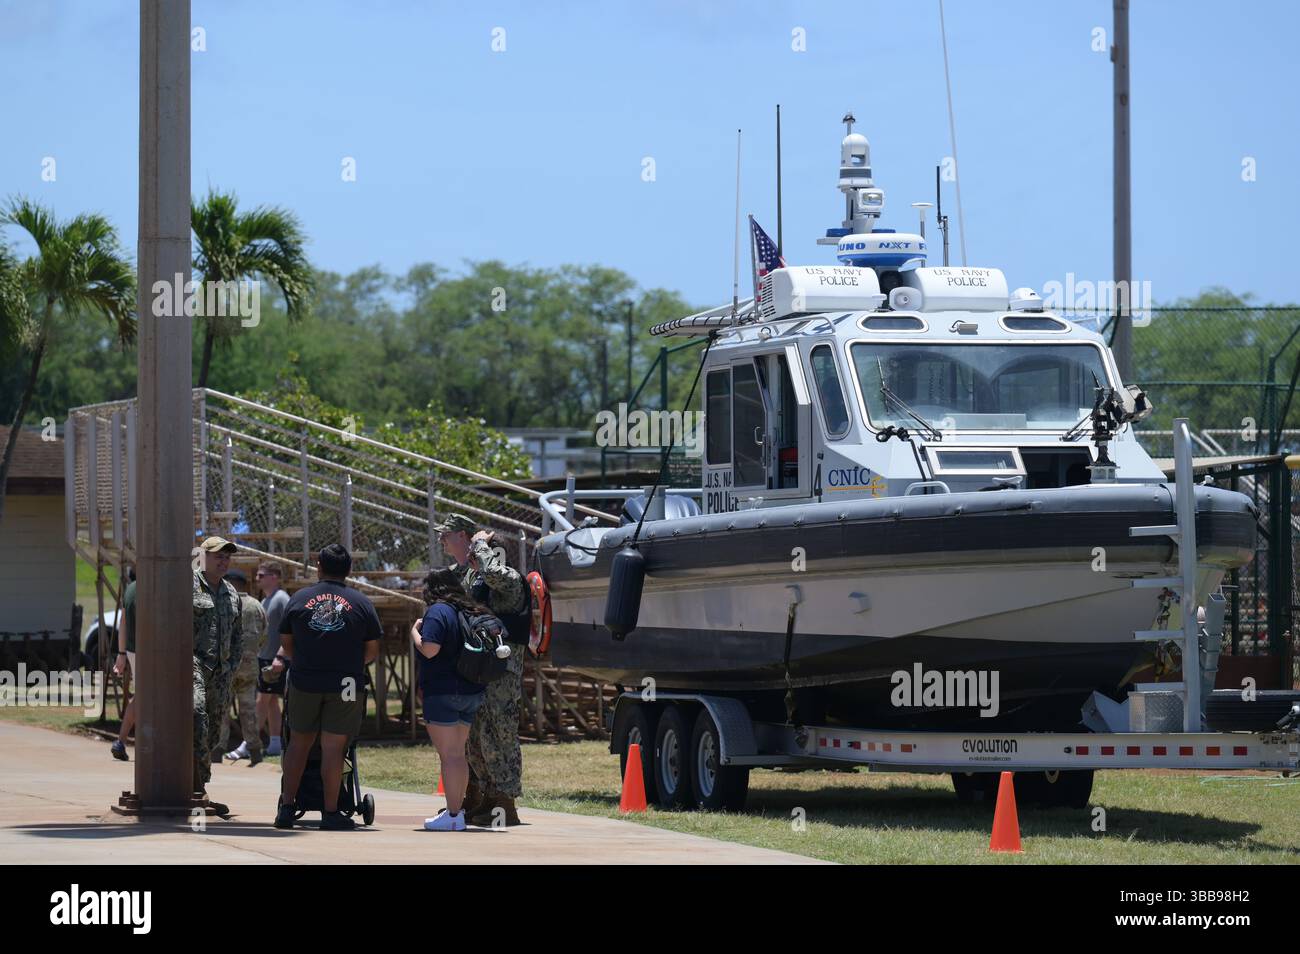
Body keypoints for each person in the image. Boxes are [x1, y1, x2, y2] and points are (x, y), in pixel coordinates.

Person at [273, 544, 381, 831]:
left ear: (318, 566)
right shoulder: (361, 603)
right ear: (349, 570)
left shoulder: (299, 599)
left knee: (298, 744)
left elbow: (286, 644)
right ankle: (331, 812)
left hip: (305, 680)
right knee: (334, 749)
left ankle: (286, 808)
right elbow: (371, 651)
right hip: (345, 683)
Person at [433, 512, 528, 827]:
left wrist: (479, 543)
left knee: (500, 736)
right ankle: (484, 796)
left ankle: (504, 804)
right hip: (477, 672)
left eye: (479, 553)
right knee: (476, 737)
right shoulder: (477, 581)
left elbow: (492, 572)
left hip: (501, 677)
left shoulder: (511, 580)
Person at [412, 567, 490, 831]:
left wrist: (414, 632)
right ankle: (456, 813)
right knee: (458, 754)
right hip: (470, 692)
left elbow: (430, 650)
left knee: (450, 756)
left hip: (444, 692)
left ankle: (454, 815)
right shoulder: (467, 610)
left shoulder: (437, 611)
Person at [193, 536, 244, 813]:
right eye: (218, 556)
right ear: (204, 557)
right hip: (195, 666)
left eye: (227, 557)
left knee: (213, 731)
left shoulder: (231, 592)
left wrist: (232, 666)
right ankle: (195, 788)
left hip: (221, 673)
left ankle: (199, 785)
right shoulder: (189, 586)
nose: (223, 561)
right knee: (196, 713)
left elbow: (238, 635)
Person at [221, 569, 267, 764]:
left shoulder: (222, 602)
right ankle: (255, 749)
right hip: (249, 665)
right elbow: (264, 634)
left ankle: (217, 749)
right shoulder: (256, 605)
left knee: (221, 709)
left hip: (226, 665)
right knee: (248, 709)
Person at [255, 562, 289, 756]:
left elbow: (292, 629)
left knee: (261, 700)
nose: (258, 579)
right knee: (270, 702)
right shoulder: (266, 600)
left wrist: (281, 656)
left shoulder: (282, 599)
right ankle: (275, 742)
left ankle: (250, 742)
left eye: (262, 575)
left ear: (274, 576)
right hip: (265, 657)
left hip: (276, 659)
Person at [110, 567, 137, 761]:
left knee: (143, 696)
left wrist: (121, 654)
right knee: (146, 697)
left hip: (132, 650)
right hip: (153, 651)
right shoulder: (154, 587)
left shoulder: (129, 590)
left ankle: (121, 741)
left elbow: (123, 624)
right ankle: (121, 740)